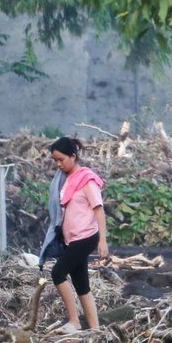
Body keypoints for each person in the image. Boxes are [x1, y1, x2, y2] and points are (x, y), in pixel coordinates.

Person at [41, 137, 108, 333]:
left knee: (57, 273)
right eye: (55, 160)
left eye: (61, 159)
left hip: (86, 237)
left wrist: (103, 240)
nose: (58, 164)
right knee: (81, 284)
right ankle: (95, 330)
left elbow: (98, 209)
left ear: (73, 156)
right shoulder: (66, 180)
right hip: (73, 238)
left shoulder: (86, 179)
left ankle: (74, 321)